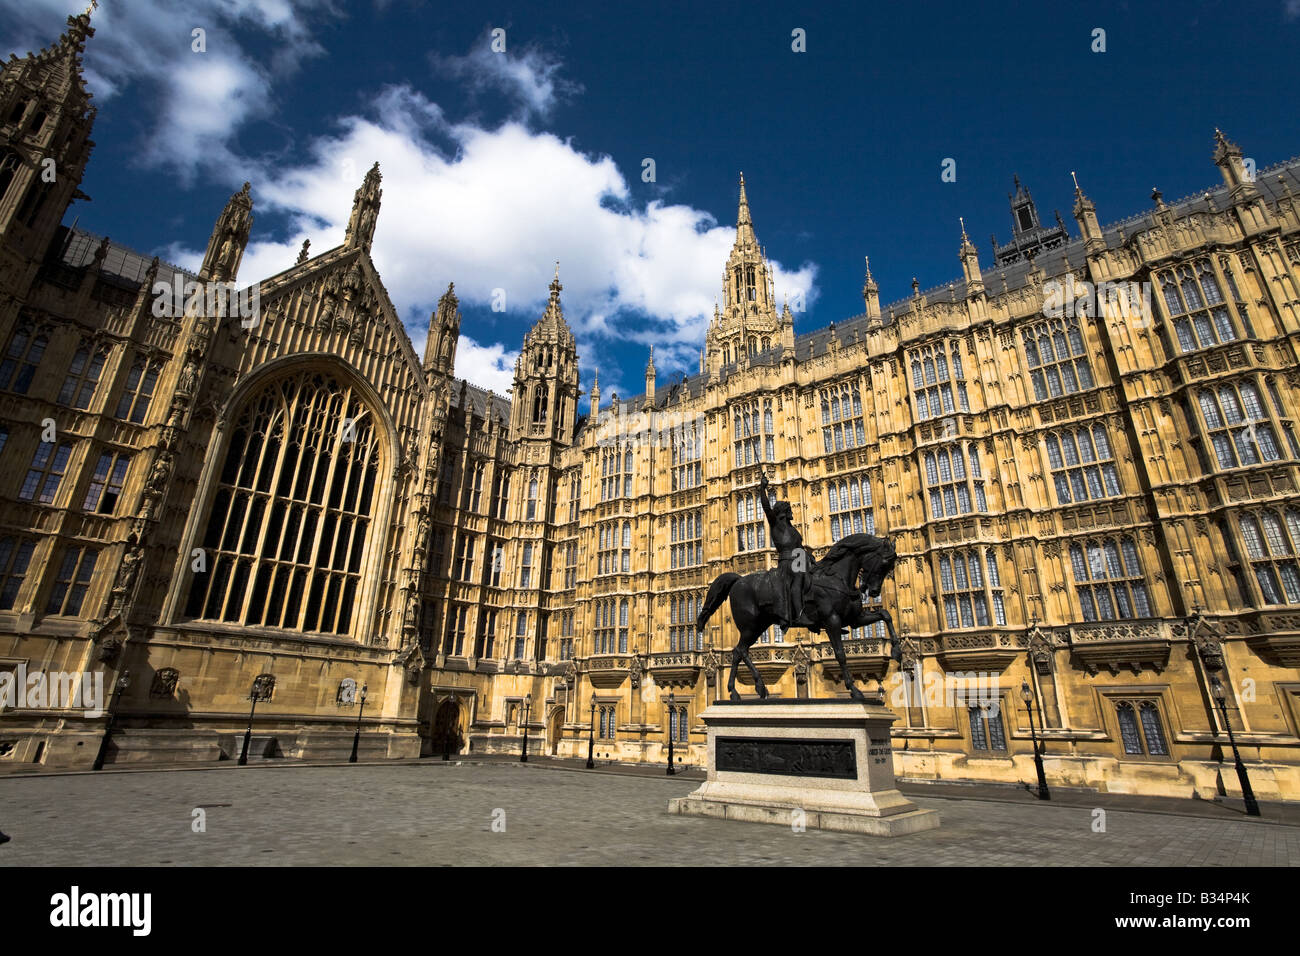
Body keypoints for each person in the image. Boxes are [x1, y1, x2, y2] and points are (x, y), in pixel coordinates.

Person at [758, 471, 811, 628]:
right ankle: (799, 615)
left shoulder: (793, 530)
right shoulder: (776, 525)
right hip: (787, 561)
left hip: (799, 558)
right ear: (783, 512)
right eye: (789, 509)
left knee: (816, 577)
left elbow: (800, 549)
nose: (791, 512)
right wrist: (762, 489)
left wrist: (809, 559)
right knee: (799, 577)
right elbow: (766, 508)